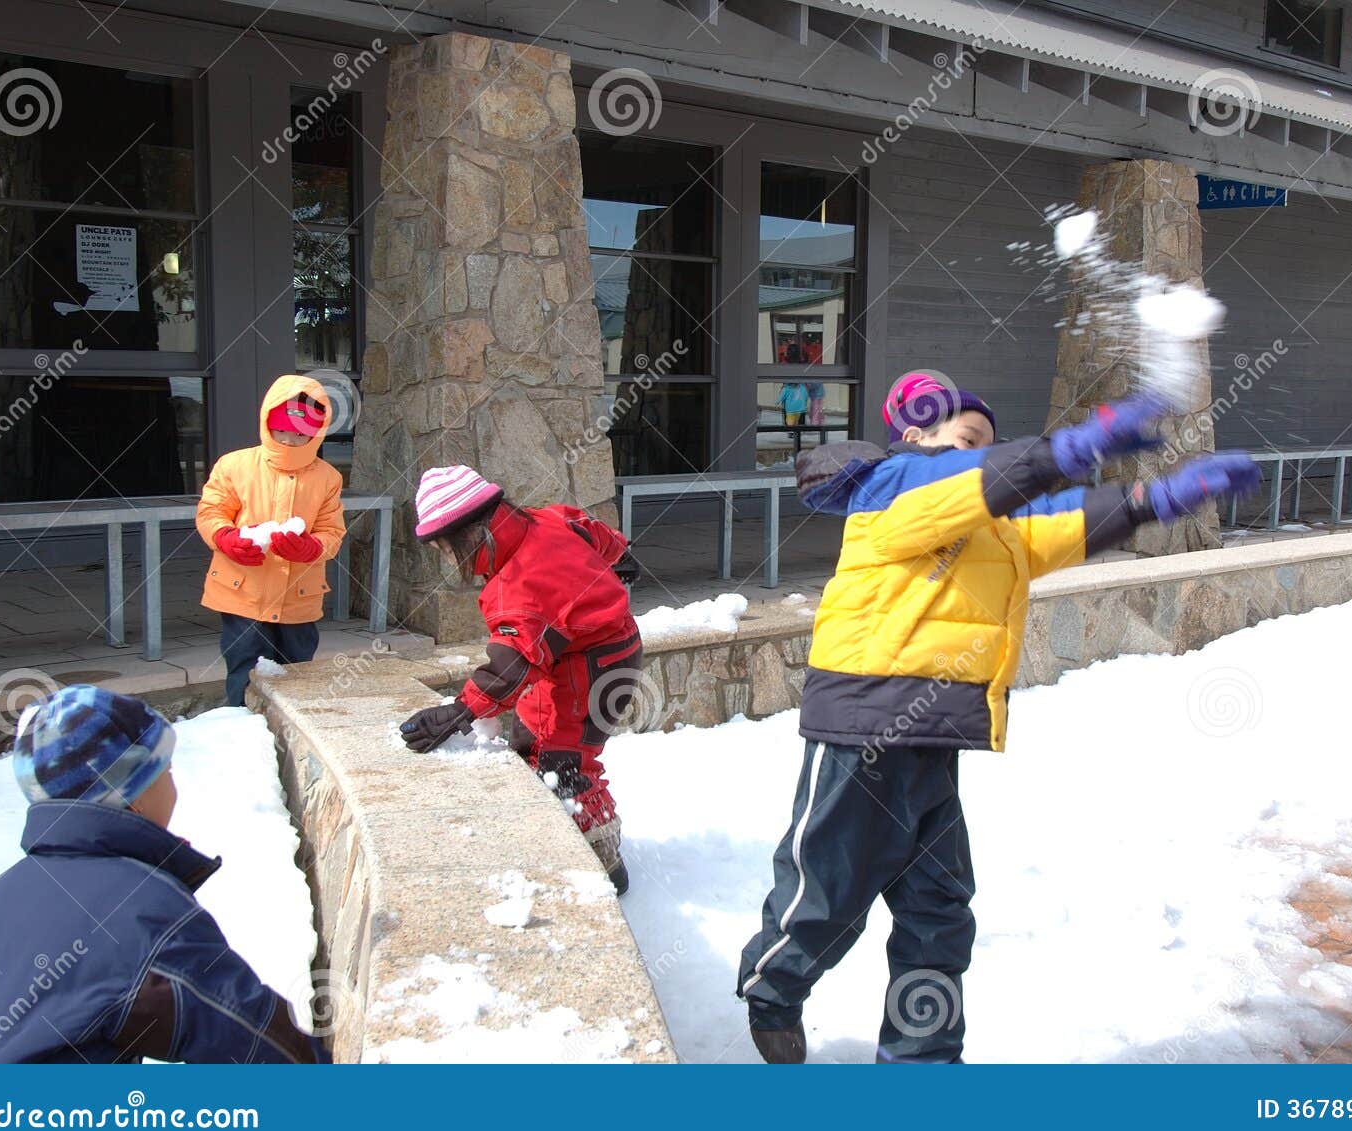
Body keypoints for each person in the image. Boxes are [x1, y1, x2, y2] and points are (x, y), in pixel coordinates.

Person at [737, 371, 1261, 1064]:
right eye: (966, 437)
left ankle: (922, 1062)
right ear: (915, 436)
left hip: (933, 741)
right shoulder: (892, 488)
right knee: (825, 895)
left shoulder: (996, 527)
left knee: (939, 913)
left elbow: (1063, 523)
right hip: (863, 729)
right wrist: (1067, 448)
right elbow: (966, 483)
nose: (981, 449)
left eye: (988, 440)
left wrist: (1154, 498)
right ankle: (773, 988)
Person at [0, 686, 327, 1064]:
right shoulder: (142, 914)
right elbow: (266, 1051)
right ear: (133, 793)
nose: (173, 782)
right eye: (166, 768)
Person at [397, 466, 642, 894]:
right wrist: (620, 557)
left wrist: (458, 712)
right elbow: (593, 531)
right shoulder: (547, 518)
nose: (447, 559)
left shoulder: (516, 587)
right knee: (531, 742)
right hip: (573, 656)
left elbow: (510, 669)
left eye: (445, 548)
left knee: (564, 764)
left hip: (595, 666)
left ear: (470, 534)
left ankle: (604, 863)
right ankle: (556, 838)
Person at [196, 374, 346, 707]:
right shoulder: (235, 466)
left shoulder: (327, 478)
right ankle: (242, 728)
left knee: (298, 672)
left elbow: (332, 531)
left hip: (299, 600)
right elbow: (211, 512)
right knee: (245, 670)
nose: (290, 443)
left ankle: (292, 732)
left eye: (300, 436)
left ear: (316, 434)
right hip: (243, 594)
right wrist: (226, 538)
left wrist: (313, 547)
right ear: (267, 424)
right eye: (282, 432)